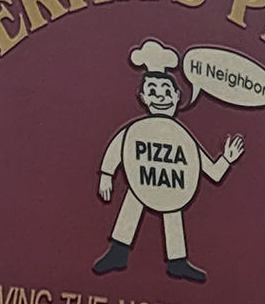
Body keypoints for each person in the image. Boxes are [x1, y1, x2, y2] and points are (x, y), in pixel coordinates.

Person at [93, 40, 244, 283]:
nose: (160, 97)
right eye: (153, 92)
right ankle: (118, 252)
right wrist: (106, 175)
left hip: (173, 187)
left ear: (176, 96)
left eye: (166, 91)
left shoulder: (182, 138)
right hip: (141, 180)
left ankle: (177, 262)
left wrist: (227, 158)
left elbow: (213, 173)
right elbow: (118, 147)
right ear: (143, 97)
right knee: (134, 198)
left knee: (173, 207)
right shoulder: (137, 130)